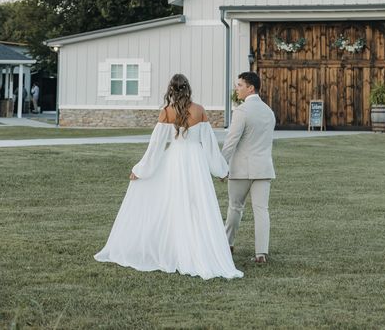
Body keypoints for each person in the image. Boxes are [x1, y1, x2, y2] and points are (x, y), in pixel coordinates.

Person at [94, 73, 243, 280]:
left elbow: (155, 148)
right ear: (188, 88)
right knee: (197, 205)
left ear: (171, 90)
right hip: (196, 161)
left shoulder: (166, 112)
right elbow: (209, 146)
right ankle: (195, 249)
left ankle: (177, 249)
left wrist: (140, 170)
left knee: (175, 203)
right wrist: (222, 170)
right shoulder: (199, 110)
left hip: (175, 160)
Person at [222, 71, 276, 265]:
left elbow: (231, 142)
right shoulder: (269, 112)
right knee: (262, 210)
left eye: (239, 85)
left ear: (250, 88)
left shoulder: (242, 111)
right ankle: (261, 253)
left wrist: (221, 166)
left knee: (235, 207)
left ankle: (227, 244)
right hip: (263, 168)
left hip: (241, 170)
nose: (236, 89)